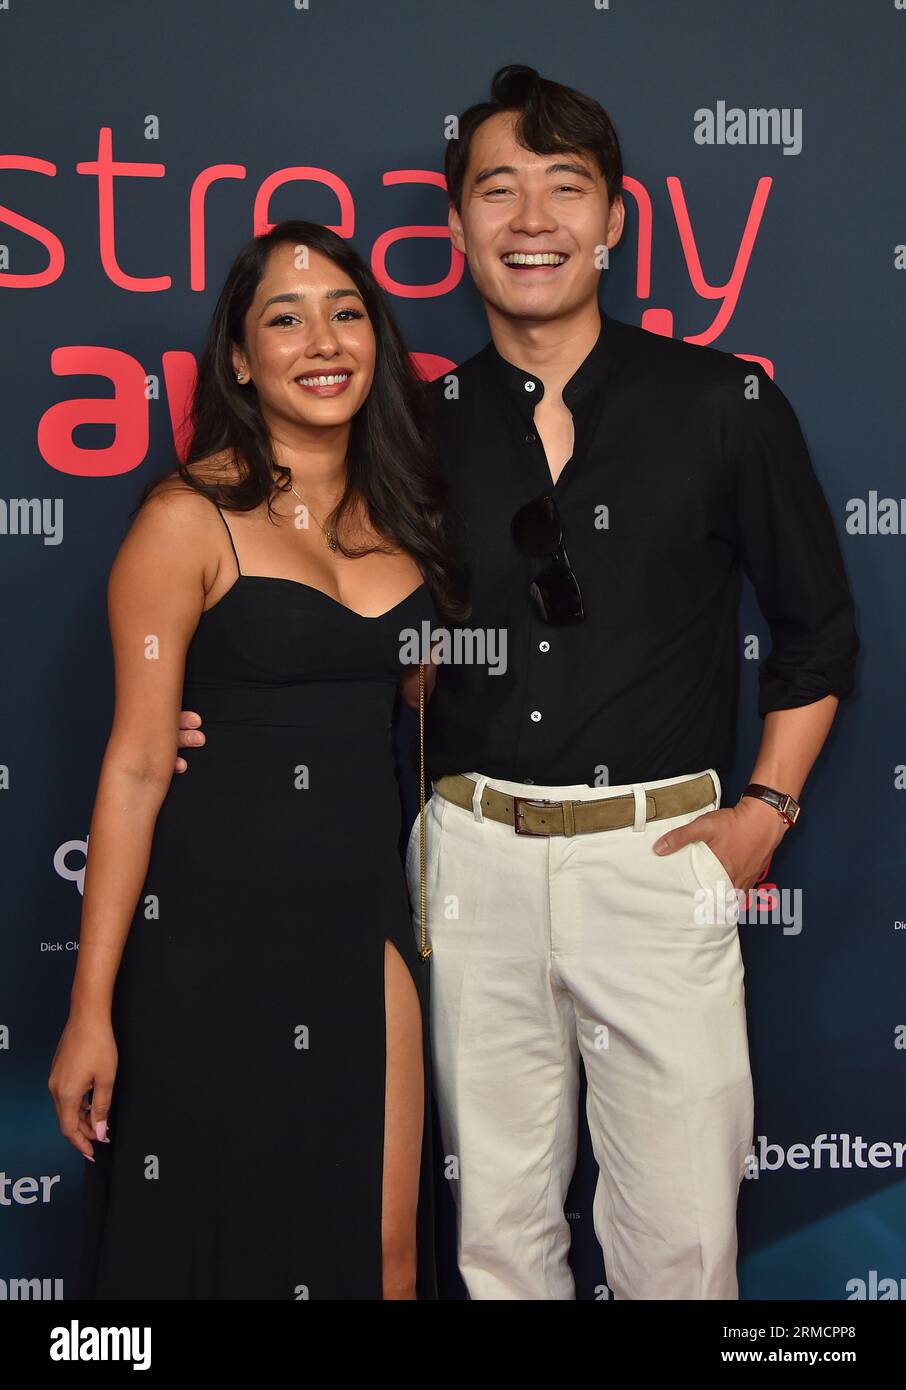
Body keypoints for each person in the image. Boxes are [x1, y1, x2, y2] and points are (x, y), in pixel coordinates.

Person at [176, 68, 860, 1300]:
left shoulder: (725, 403)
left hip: (659, 861)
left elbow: (819, 633)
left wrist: (765, 812)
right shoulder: (413, 428)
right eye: (499, 190)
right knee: (495, 1241)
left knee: (682, 1248)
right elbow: (317, 597)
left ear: (615, 221)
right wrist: (219, 705)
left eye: (565, 188)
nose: (532, 219)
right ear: (457, 226)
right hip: (472, 864)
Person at [48, 219, 465, 1300]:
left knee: (384, 1255)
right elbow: (137, 767)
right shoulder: (186, 519)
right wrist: (90, 1009)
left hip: (362, 919)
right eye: (286, 318)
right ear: (238, 358)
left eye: (346, 312)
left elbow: (432, 704)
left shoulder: (412, 517)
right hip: (204, 935)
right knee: (209, 1247)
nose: (323, 341)